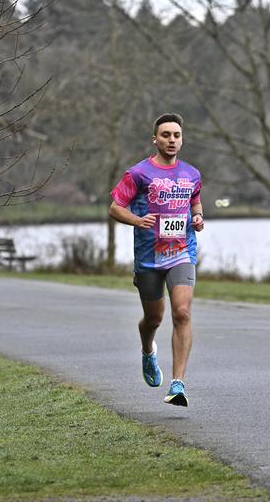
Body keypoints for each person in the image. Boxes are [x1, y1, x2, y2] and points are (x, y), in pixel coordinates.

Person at [108, 113, 204, 406]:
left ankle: (178, 384)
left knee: (182, 313)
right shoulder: (138, 173)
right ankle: (148, 351)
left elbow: (195, 201)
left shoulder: (191, 174)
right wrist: (138, 220)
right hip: (149, 259)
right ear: (155, 139)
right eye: (166, 135)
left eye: (176, 135)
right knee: (154, 319)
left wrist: (198, 217)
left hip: (182, 252)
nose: (172, 140)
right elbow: (115, 208)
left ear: (181, 140)